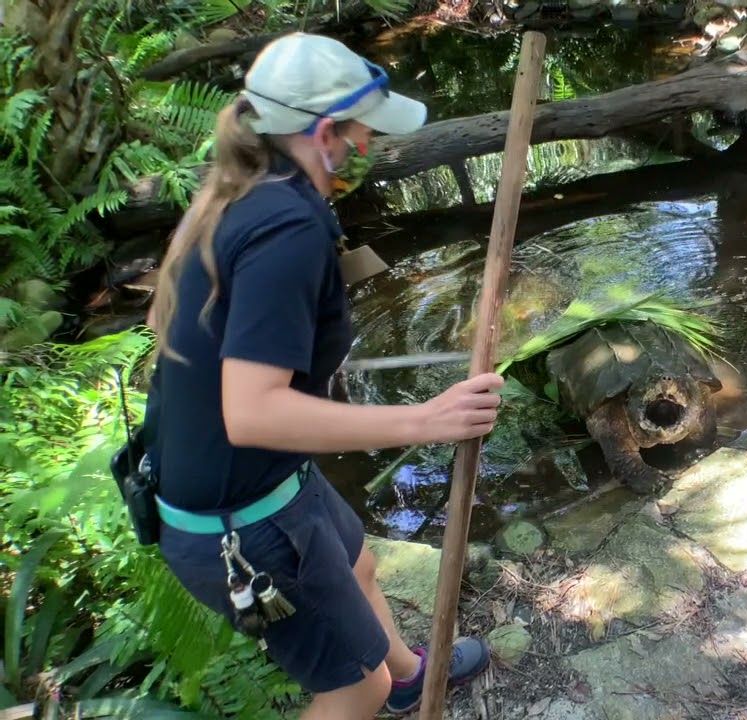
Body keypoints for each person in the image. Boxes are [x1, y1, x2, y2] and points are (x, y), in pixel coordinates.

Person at [141, 32, 505, 719]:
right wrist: (424, 420)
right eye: (364, 126)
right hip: (238, 528)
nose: (371, 140)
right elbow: (251, 412)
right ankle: (379, 688)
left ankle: (406, 681)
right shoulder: (285, 229)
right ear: (326, 133)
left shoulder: (255, 190)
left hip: (269, 482)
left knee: (358, 564)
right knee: (350, 687)